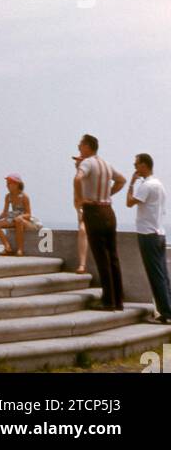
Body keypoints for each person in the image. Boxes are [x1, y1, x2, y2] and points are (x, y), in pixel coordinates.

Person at [73, 133, 125, 310]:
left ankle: (108, 301)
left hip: (94, 211)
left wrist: (80, 199)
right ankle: (118, 300)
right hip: (108, 210)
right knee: (113, 257)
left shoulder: (87, 162)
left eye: (81, 144)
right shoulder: (105, 163)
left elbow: (78, 178)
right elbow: (121, 180)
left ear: (87, 146)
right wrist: (108, 193)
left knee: (101, 257)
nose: (79, 147)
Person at [126, 153, 171, 324]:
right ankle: (168, 308)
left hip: (148, 235)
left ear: (144, 165)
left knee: (155, 275)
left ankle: (166, 312)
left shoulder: (147, 186)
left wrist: (131, 183)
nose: (135, 168)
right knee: (163, 275)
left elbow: (129, 203)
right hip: (159, 233)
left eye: (136, 164)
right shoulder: (159, 185)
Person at [0, 175, 38, 256]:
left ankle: (20, 249)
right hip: (13, 219)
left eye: (9, 183)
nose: (7, 186)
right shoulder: (8, 196)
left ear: (16, 184)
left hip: (24, 220)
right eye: (7, 183)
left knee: (18, 220)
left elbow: (28, 214)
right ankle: (7, 247)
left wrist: (21, 217)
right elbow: (5, 212)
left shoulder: (24, 196)